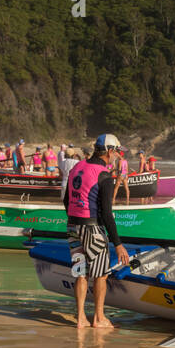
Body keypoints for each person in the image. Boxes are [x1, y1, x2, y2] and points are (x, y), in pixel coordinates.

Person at [64, 134, 130, 329]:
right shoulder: (104, 175)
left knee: (81, 273)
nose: (117, 156)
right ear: (109, 151)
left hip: (72, 225)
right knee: (100, 274)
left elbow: (66, 201)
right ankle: (99, 318)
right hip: (92, 228)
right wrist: (118, 244)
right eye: (117, 152)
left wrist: (76, 218)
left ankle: (81, 318)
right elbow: (107, 213)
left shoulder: (77, 167)